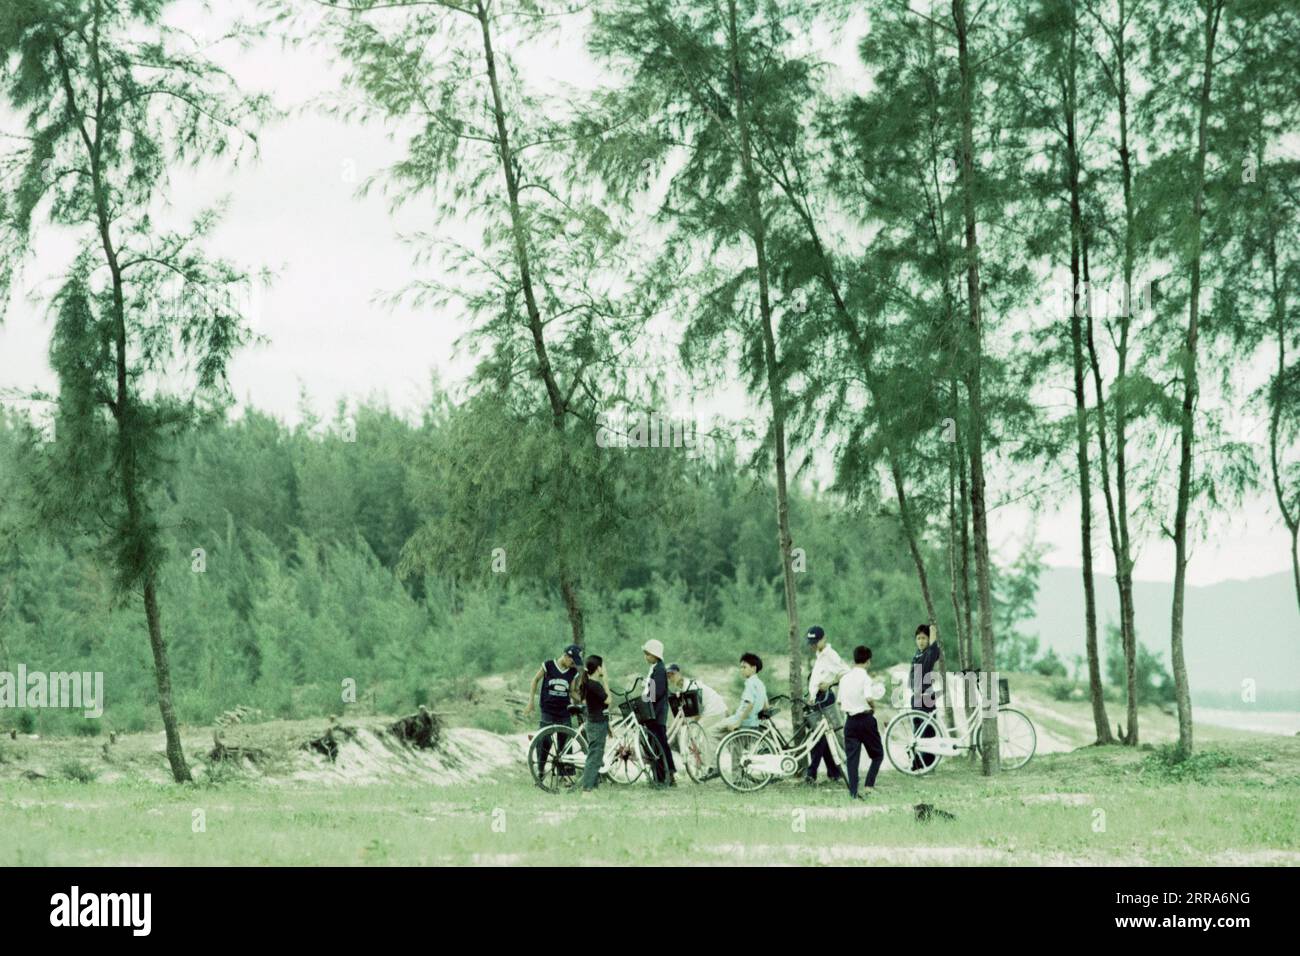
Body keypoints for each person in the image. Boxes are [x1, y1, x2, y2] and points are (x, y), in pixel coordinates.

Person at [524, 643, 582, 781]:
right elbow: (535, 680)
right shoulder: (548, 665)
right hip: (548, 710)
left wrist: (583, 701)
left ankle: (564, 775)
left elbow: (572, 691)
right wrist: (531, 701)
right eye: (572, 660)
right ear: (566, 656)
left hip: (564, 711)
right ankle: (540, 770)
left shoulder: (573, 672)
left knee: (565, 742)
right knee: (544, 740)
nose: (573, 663)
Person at [667, 663, 729, 780]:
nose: (671, 677)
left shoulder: (690, 686)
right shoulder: (682, 688)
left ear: (679, 673)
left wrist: (691, 723)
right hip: (712, 710)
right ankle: (707, 765)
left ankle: (713, 767)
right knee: (698, 733)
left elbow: (697, 711)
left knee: (702, 734)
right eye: (669, 676)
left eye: (673, 674)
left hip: (714, 710)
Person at [804, 625, 848, 785]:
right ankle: (832, 771)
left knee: (838, 733)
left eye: (816, 641)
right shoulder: (820, 655)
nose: (813, 645)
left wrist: (830, 683)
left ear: (824, 639)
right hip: (817, 701)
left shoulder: (830, 654)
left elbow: (845, 671)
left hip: (826, 700)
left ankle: (849, 765)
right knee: (820, 735)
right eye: (811, 642)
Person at [839, 645, 884, 799]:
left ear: (855, 659)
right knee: (877, 755)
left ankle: (853, 792)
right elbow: (869, 697)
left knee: (852, 760)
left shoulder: (844, 678)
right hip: (865, 719)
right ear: (868, 661)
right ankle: (869, 785)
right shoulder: (866, 678)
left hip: (850, 722)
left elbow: (840, 702)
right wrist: (873, 707)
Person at [641, 639, 676, 787]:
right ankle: (661, 776)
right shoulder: (655, 668)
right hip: (653, 713)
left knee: (660, 745)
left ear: (655, 655)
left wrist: (647, 697)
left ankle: (667, 775)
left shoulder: (660, 670)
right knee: (657, 745)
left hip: (657, 713)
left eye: (648, 654)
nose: (646, 657)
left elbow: (657, 692)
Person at [909, 624, 941, 772]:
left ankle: (928, 765)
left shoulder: (929, 653)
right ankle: (916, 763)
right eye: (918, 638)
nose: (921, 641)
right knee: (917, 731)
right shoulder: (917, 654)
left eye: (924, 638)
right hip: (916, 698)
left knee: (928, 731)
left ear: (928, 640)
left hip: (926, 696)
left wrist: (933, 631)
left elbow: (934, 648)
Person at [578, 656, 610, 793]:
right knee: (595, 756)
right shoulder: (595, 685)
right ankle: (587, 789)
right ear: (598, 668)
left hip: (596, 722)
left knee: (596, 755)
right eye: (603, 666)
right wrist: (606, 680)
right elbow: (608, 700)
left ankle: (593, 786)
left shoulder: (590, 684)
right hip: (596, 724)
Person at [719, 652, 767, 732]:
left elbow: (750, 704)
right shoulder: (761, 684)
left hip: (743, 722)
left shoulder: (750, 683)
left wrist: (738, 722)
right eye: (741, 667)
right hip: (754, 723)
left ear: (754, 668)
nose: (741, 670)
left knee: (712, 731)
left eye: (744, 667)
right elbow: (766, 706)